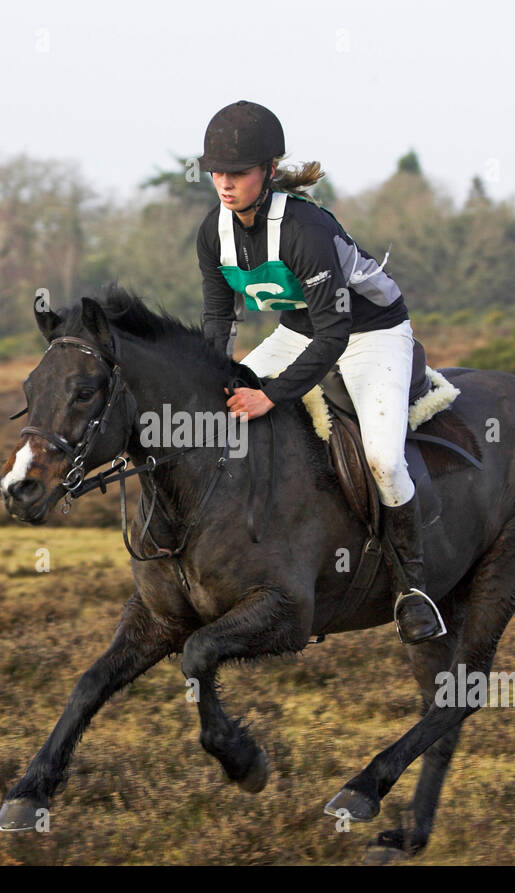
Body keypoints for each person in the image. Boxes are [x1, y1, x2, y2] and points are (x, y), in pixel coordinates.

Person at [196, 100, 446, 643]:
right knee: (217, 413)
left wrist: (272, 395)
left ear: (266, 171)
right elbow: (219, 317)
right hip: (300, 332)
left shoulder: (304, 228)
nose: (224, 183)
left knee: (382, 458)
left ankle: (414, 587)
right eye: (216, 172)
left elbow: (336, 335)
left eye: (237, 173)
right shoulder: (212, 232)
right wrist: (220, 377)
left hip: (371, 333)